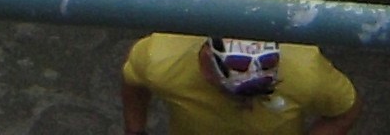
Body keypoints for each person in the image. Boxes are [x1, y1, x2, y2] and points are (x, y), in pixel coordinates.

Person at [121, 33, 361, 134]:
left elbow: (345, 110)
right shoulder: (159, 59)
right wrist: (135, 131)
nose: (247, 104)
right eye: (236, 92)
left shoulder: (307, 72)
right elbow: (135, 83)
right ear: (207, 66)